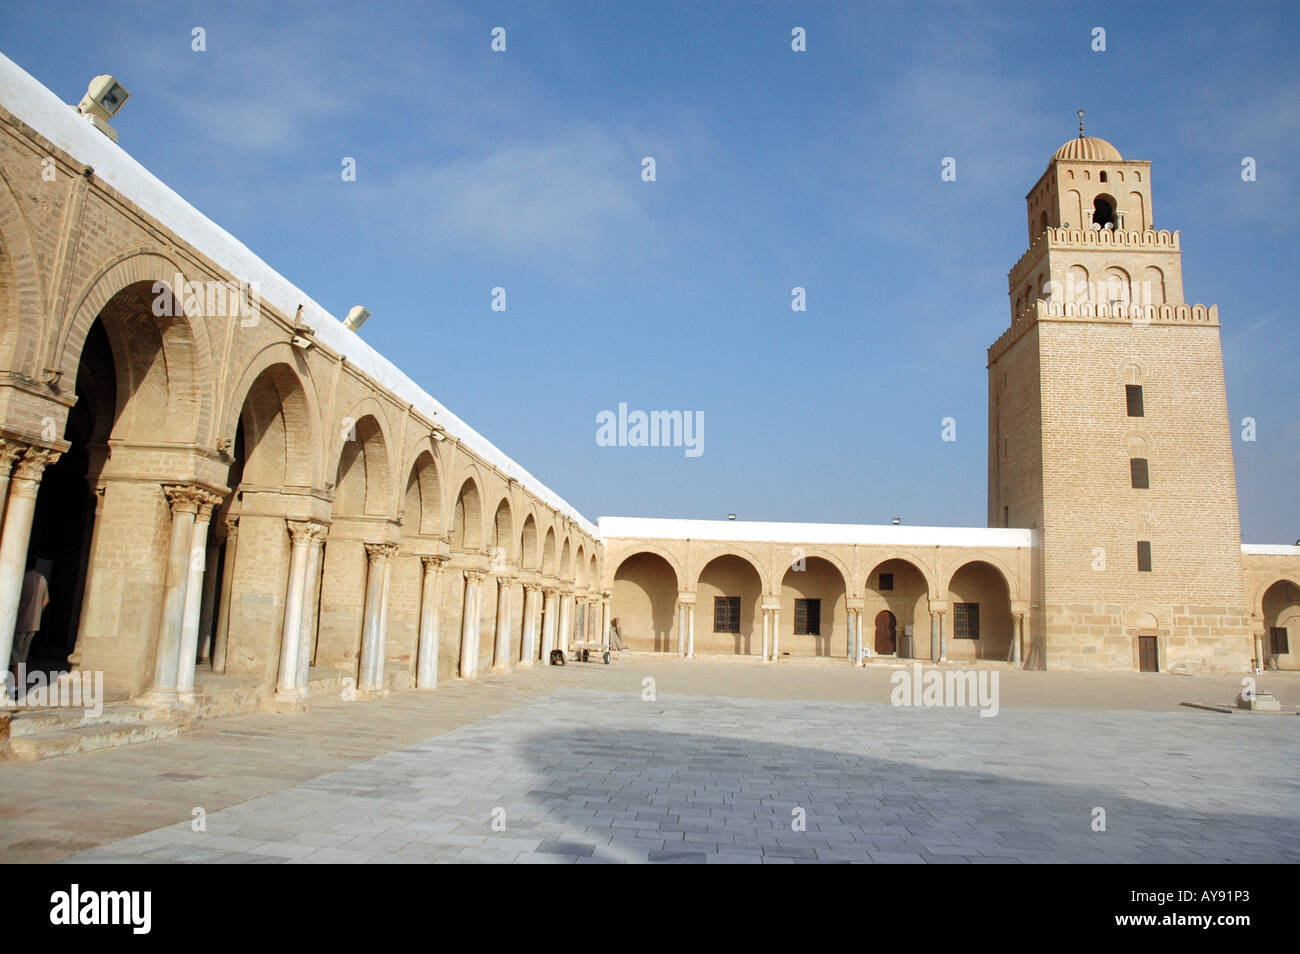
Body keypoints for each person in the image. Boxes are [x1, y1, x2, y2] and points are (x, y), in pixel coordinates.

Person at [9, 563, 49, 701]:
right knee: (22, 657)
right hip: (33, 624)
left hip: (19, 623)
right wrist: (37, 612)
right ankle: (16, 687)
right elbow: (45, 600)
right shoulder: (42, 579)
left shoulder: (21, 577)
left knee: (15, 657)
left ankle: (14, 687)